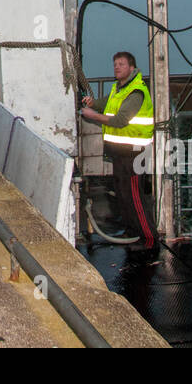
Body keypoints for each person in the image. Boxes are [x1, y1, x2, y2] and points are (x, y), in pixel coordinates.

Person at [80, 51, 159, 259]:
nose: (116, 67)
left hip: (133, 153)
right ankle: (132, 232)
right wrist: (92, 103)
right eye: (115, 64)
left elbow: (120, 120)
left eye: (121, 64)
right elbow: (105, 103)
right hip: (120, 152)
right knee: (124, 196)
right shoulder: (119, 88)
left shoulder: (136, 92)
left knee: (135, 197)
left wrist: (93, 115)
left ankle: (149, 240)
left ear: (132, 68)